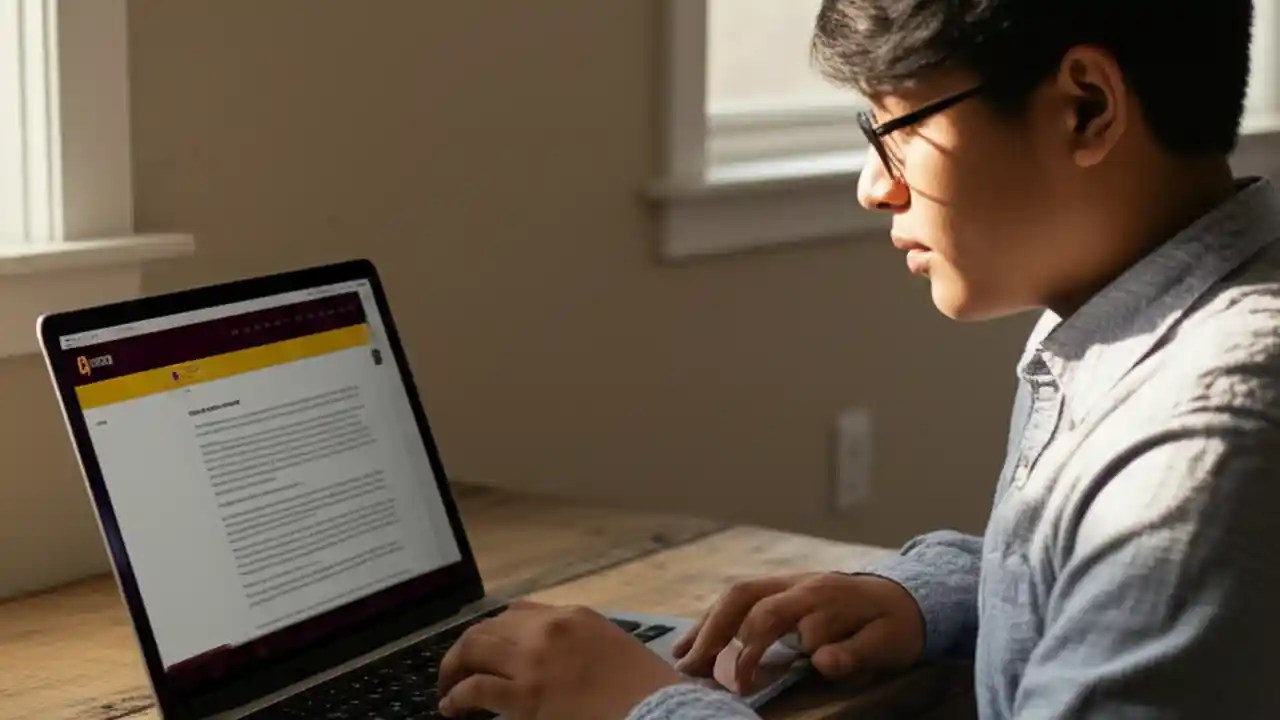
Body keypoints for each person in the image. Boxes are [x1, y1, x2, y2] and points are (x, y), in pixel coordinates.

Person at [436, 0, 1280, 717]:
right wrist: (930, 597)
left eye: (898, 129)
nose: (874, 186)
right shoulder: (1163, 324)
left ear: (1086, 108)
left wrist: (642, 706)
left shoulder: (1200, 449)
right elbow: (1110, 595)